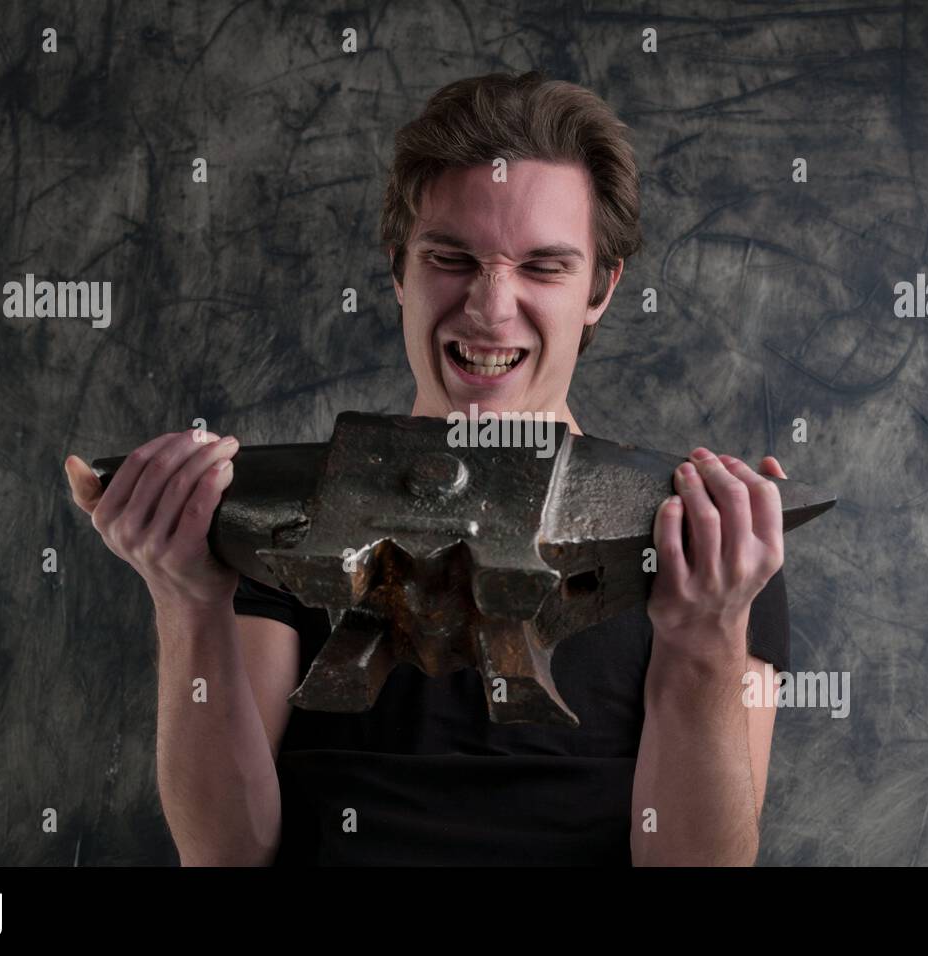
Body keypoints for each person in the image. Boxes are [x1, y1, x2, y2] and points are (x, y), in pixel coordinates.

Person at [63, 70, 792, 866]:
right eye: (451, 257)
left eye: (544, 267)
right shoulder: (291, 516)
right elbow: (230, 854)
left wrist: (707, 642)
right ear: (397, 269)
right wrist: (185, 603)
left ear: (601, 289)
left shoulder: (714, 549)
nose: (489, 307)